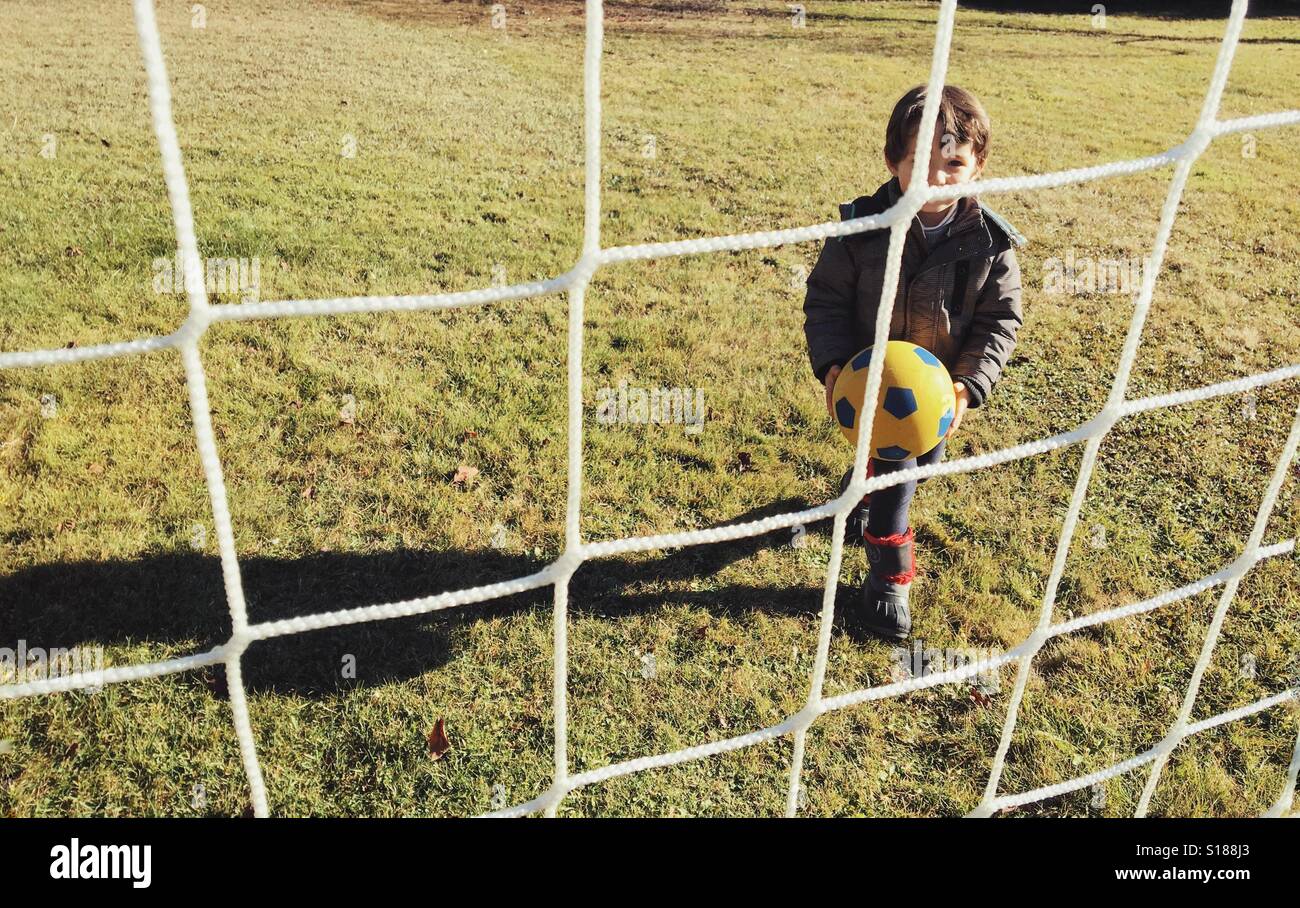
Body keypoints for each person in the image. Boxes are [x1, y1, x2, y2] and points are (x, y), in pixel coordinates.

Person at [803, 84, 1025, 640]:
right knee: (897, 485)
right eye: (919, 161)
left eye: (952, 161)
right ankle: (889, 578)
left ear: (977, 166)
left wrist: (969, 384)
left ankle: (858, 494)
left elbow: (1001, 320)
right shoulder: (861, 228)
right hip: (867, 383)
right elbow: (825, 300)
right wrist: (832, 363)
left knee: (918, 462)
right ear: (891, 162)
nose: (937, 176)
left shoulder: (990, 243)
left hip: (939, 393)